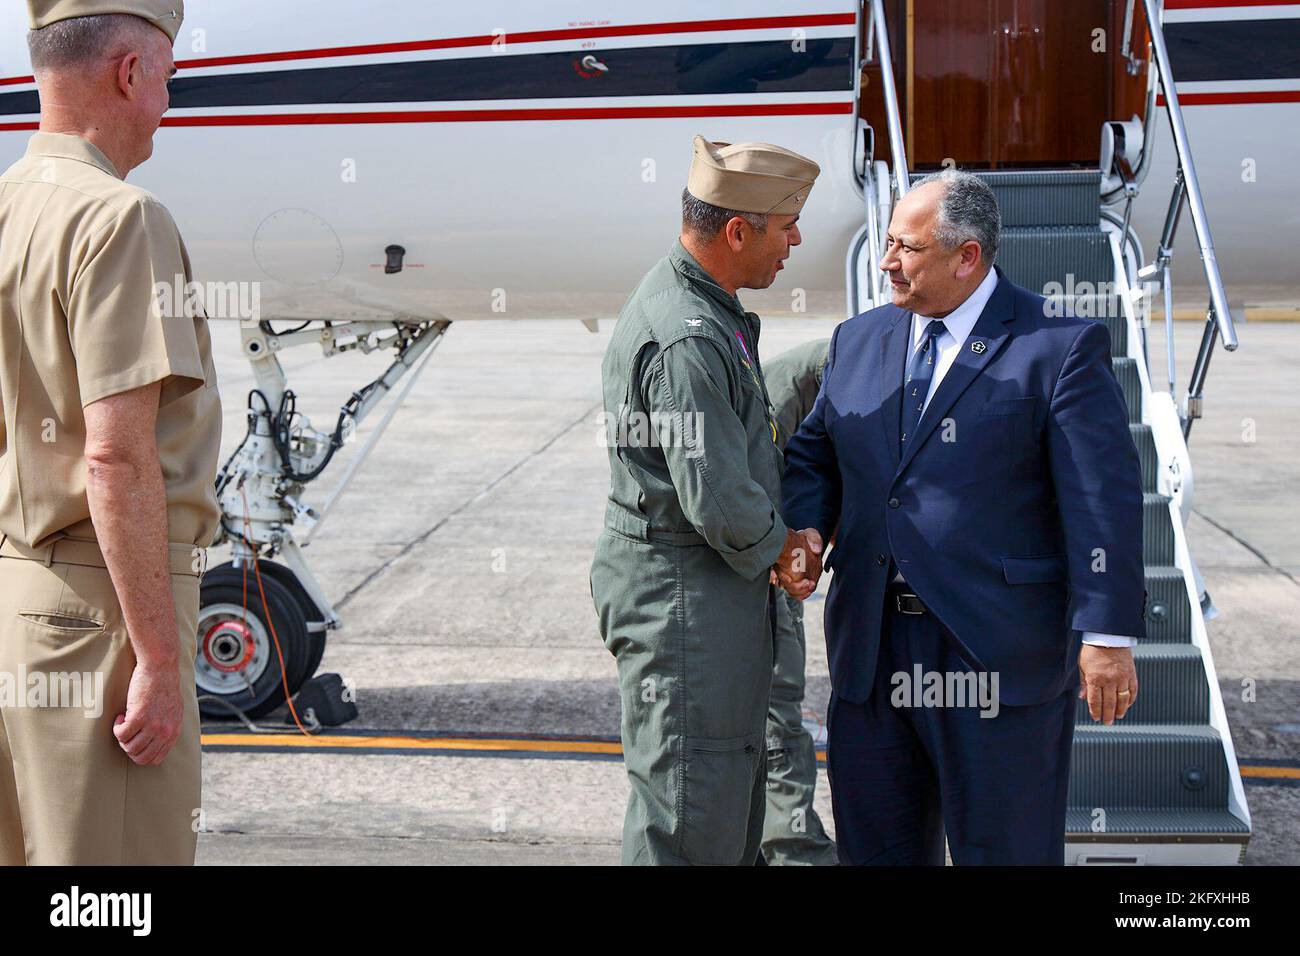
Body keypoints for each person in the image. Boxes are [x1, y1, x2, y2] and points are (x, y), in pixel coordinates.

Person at [782, 169, 1145, 865]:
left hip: (994, 652)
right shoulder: (859, 340)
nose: (886, 261)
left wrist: (1107, 633)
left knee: (1003, 851)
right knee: (879, 850)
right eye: (888, 243)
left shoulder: (1058, 347)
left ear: (967, 256)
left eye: (905, 248)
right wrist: (806, 528)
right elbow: (816, 452)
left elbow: (1102, 497)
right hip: (873, 650)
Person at [0, 0, 221, 865]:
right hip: (103, 620)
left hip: (16, 604)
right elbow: (116, 454)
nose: (169, 102)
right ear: (130, 73)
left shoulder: (10, 204)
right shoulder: (120, 220)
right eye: (168, 76)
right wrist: (159, 659)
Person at [590, 135, 822, 865]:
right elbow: (717, 495)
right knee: (692, 815)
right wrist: (785, 552)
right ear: (735, 231)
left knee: (725, 807)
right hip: (684, 601)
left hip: (704, 591)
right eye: (784, 228)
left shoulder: (704, 306)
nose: (794, 242)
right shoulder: (687, 336)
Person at [759, 339, 837, 865]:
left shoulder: (823, 378)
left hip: (776, 560)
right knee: (777, 714)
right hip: (763, 572)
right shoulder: (783, 398)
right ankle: (793, 850)